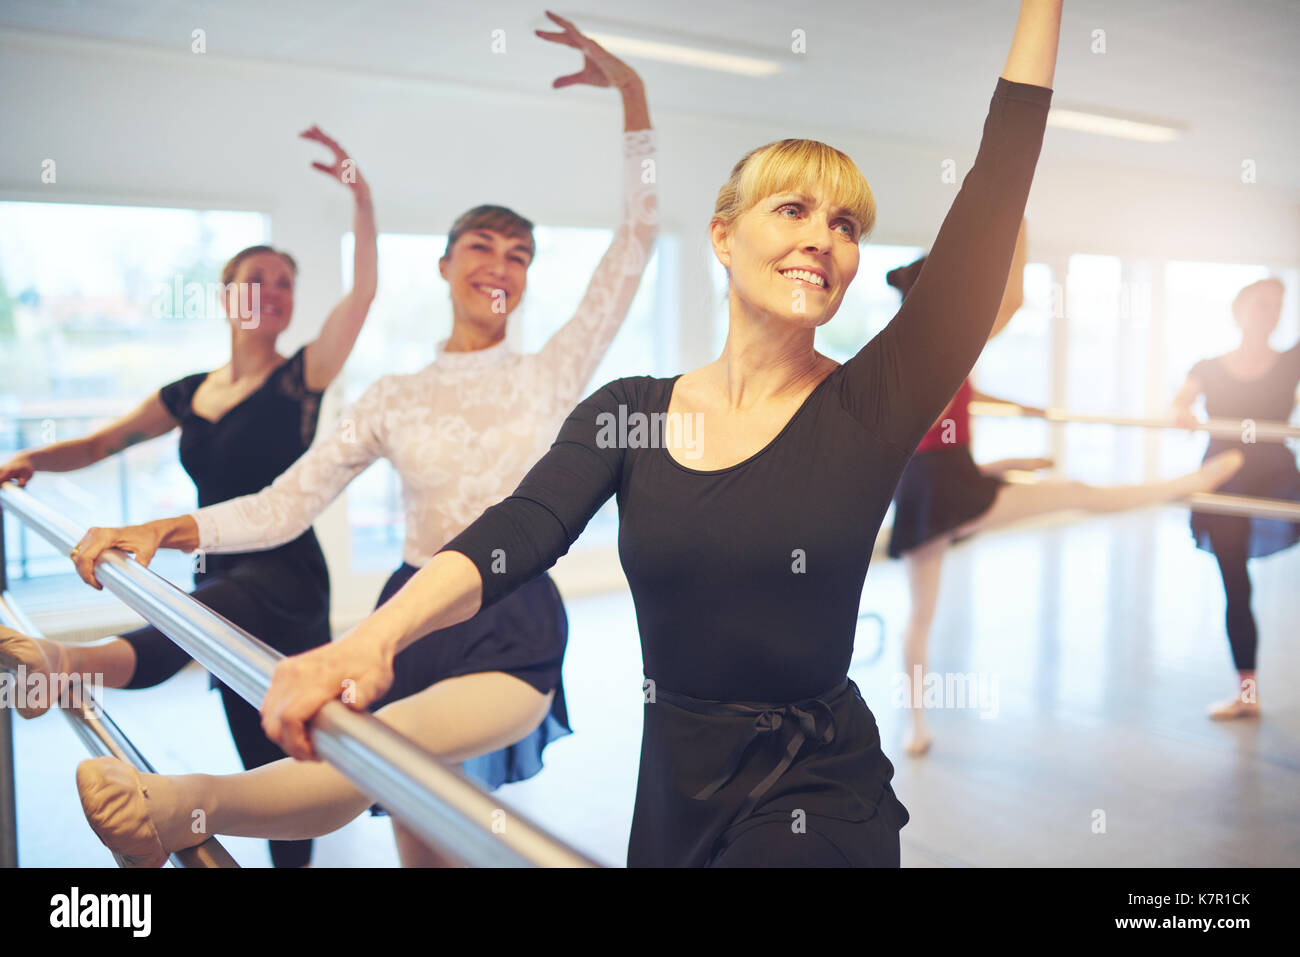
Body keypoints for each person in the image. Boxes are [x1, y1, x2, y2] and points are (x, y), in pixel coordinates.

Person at [72, 0, 1066, 869]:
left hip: (817, 786)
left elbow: (994, 196)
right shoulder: (627, 410)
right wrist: (369, 639)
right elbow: (519, 530)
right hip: (672, 778)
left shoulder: (869, 403)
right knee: (408, 793)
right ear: (723, 237)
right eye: (794, 208)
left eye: (847, 225)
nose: (823, 235)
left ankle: (186, 801)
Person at [53, 12, 656, 868]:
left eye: (520, 253)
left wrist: (632, 96)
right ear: (443, 265)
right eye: (481, 245)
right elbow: (282, 502)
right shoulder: (393, 395)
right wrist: (166, 530)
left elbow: (635, 240)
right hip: (407, 618)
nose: (500, 262)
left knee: (382, 750)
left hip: (510, 615)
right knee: (419, 827)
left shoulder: (555, 368)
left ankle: (185, 805)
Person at [0, 125, 378, 867]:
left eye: (286, 283)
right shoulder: (188, 391)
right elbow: (102, 443)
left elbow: (362, 293)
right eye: (258, 278)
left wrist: (360, 197)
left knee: (232, 663)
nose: (274, 292)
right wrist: (24, 460)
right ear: (227, 295)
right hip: (215, 569)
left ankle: (67, 665)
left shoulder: (302, 377)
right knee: (262, 753)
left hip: (283, 576)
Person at [885, 239, 1244, 756]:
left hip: (932, 487)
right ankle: (1188, 483)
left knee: (920, 614)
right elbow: (937, 424)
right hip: (944, 486)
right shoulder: (936, 346)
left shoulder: (923, 350)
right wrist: (1016, 220)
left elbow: (947, 421)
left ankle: (916, 727)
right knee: (1079, 494)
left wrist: (1018, 433)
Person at [1171, 277, 1300, 720]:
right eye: (1262, 303)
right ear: (1239, 310)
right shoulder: (1207, 365)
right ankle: (1247, 694)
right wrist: (1181, 413)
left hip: (1277, 480)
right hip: (1222, 479)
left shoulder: (1292, 360)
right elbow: (1180, 402)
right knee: (1236, 586)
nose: (1271, 313)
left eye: (1278, 306)